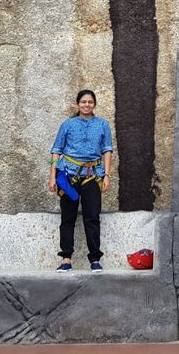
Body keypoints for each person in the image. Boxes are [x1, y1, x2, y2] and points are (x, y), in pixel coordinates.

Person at [49, 89, 114, 272]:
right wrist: (52, 176)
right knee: (67, 217)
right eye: (83, 102)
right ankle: (66, 259)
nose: (87, 105)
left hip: (92, 176)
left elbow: (107, 150)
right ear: (78, 104)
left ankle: (95, 259)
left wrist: (107, 175)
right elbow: (56, 150)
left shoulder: (102, 125)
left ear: (94, 104)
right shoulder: (68, 124)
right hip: (68, 176)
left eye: (90, 102)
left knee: (92, 217)